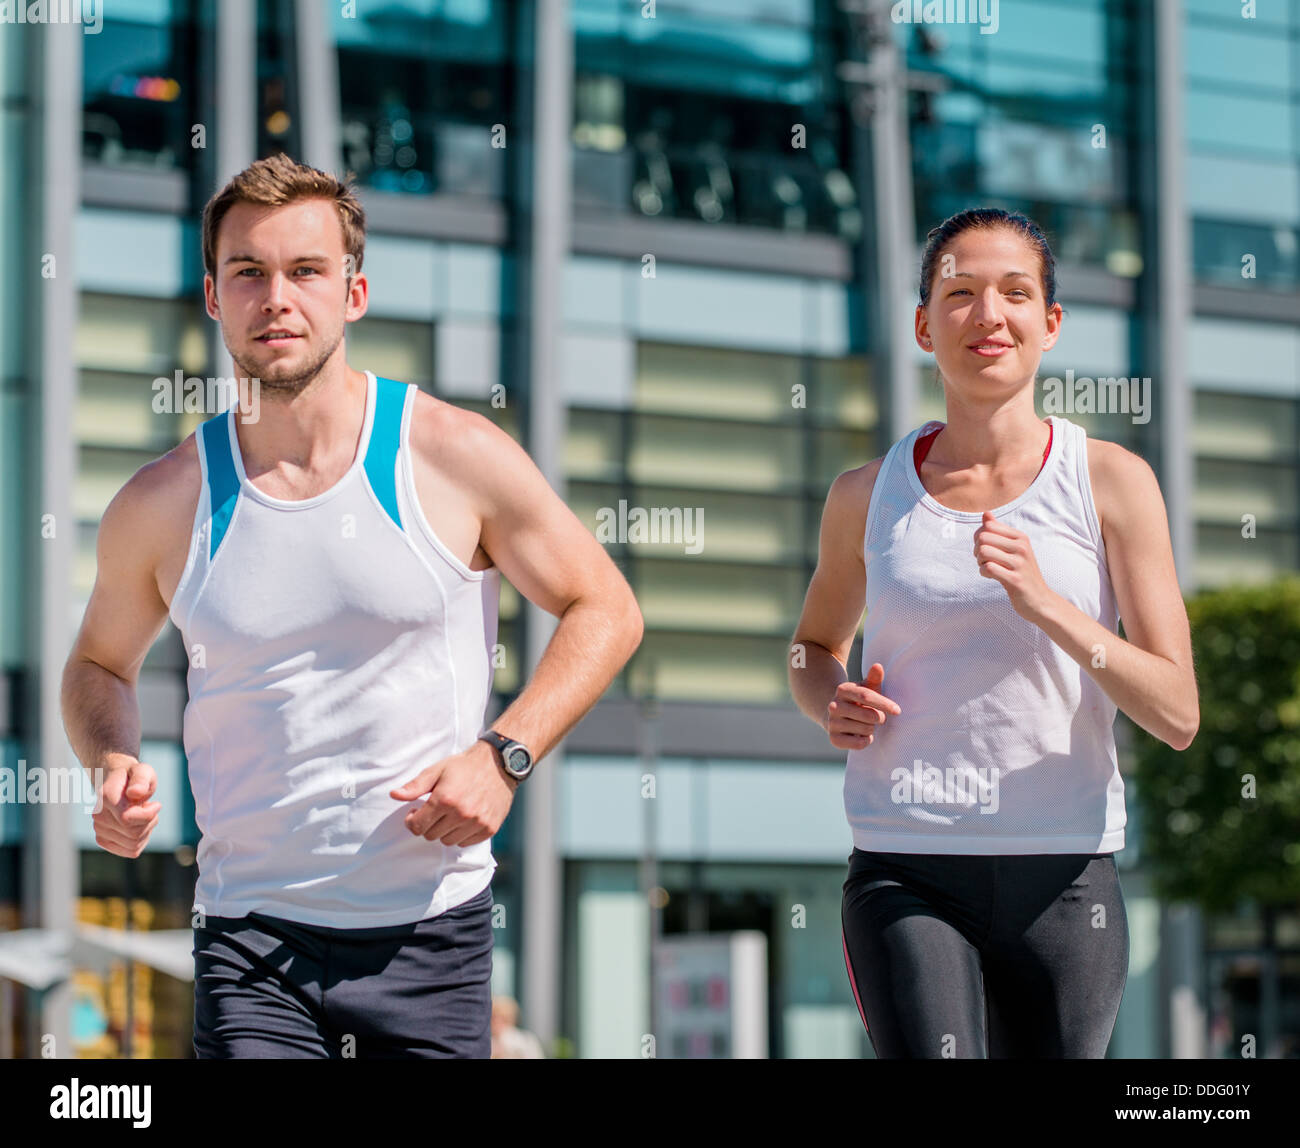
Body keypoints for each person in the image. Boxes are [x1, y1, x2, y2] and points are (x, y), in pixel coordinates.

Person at [61, 153, 644, 1059]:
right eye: (247, 272)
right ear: (214, 299)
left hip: (431, 932)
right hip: (248, 935)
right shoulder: (162, 501)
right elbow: (98, 665)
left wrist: (504, 755)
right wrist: (111, 759)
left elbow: (604, 608)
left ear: (354, 293)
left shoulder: (451, 455)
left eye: (306, 271)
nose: (276, 297)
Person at [789, 207, 1199, 1059]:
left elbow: (1177, 712)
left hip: (1067, 873)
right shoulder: (865, 494)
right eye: (961, 292)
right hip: (906, 864)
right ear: (923, 325)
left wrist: (1050, 606)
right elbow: (808, 648)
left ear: (1049, 323)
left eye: (1016, 293)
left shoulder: (1112, 484)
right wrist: (830, 696)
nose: (989, 314)